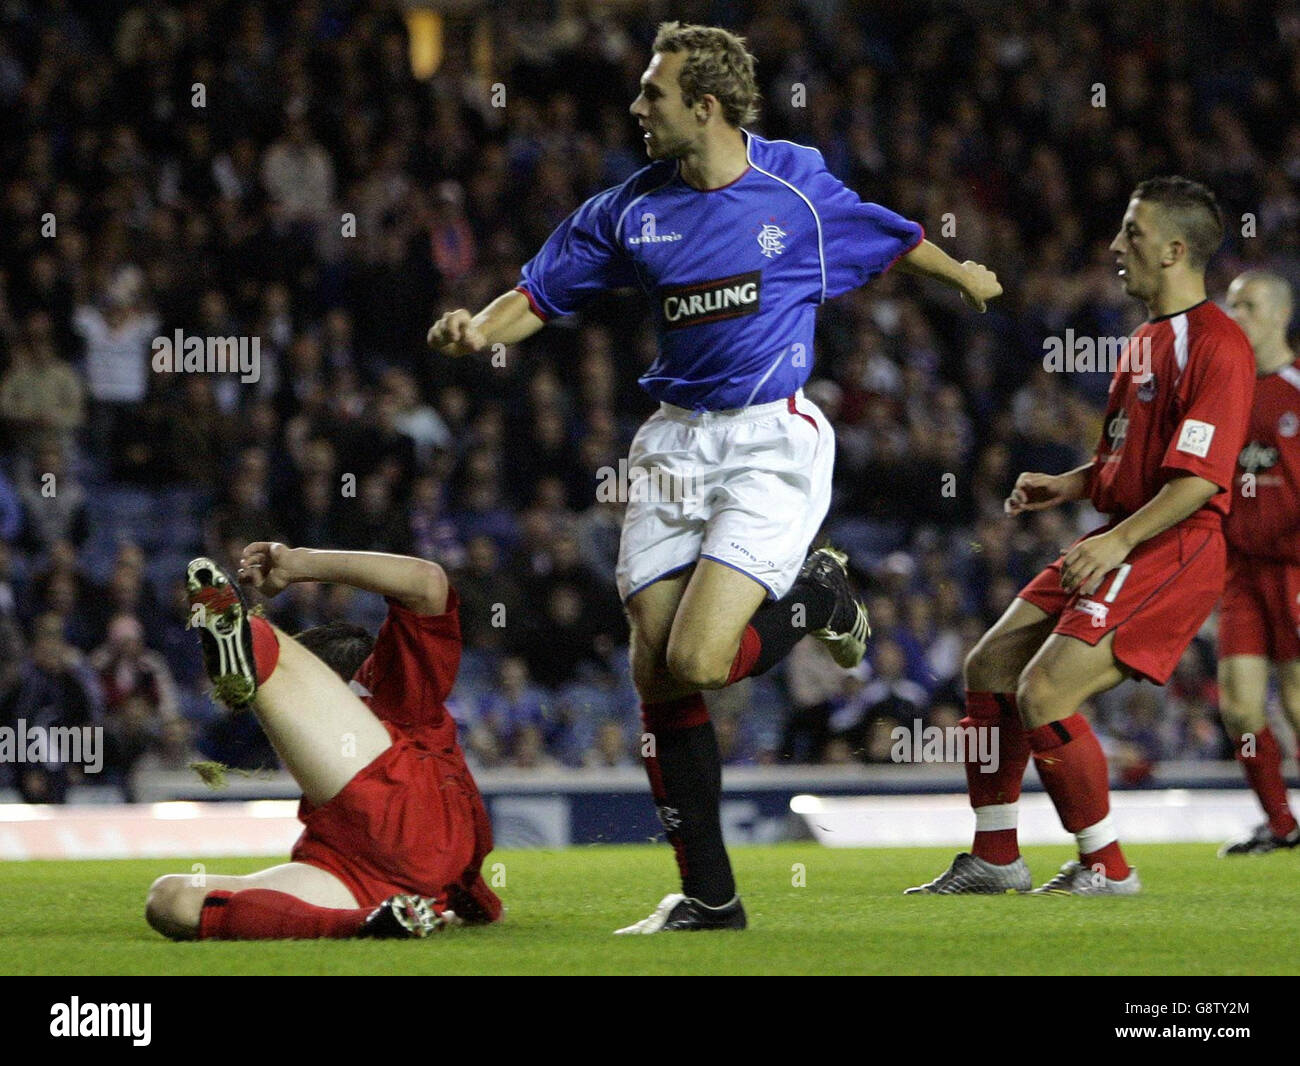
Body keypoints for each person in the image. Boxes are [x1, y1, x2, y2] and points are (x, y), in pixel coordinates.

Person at [428, 21, 1000, 933]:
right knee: (658, 675)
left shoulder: (795, 188)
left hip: (770, 442)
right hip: (672, 449)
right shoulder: (628, 209)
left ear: (705, 106)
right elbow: (537, 293)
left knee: (699, 658)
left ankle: (814, 598)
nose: (635, 107)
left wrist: (963, 274)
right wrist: (477, 330)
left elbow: (892, 239)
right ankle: (710, 899)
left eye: (652, 94)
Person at [909, 176, 1253, 896]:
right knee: (990, 667)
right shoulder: (1143, 342)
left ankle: (1109, 868)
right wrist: (1068, 484)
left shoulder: (1217, 344)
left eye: (1132, 232)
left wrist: (1118, 541)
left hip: (1174, 546)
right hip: (1127, 532)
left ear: (1174, 250)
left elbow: (1199, 481)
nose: (1115, 246)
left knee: (1045, 693)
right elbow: (1127, 464)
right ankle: (997, 856)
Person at [144, 543, 501, 940]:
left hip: (398, 797)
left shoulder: (390, 686)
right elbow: (427, 583)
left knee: (263, 639)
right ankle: (372, 922)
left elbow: (427, 581)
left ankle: (252, 643)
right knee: (172, 900)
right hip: (365, 875)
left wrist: (299, 564)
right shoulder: (403, 701)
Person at [1216, 271, 1300, 855]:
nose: (1235, 314)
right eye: (1231, 304)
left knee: (1297, 702)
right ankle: (1280, 825)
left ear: (1278, 316)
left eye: (1247, 305)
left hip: (1297, 567)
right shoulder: (1228, 392)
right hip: (1242, 572)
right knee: (1240, 708)